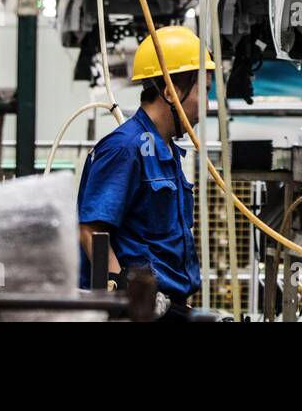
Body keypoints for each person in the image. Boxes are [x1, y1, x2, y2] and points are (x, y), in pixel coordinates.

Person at [77, 25, 213, 320]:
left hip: (166, 305)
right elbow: (91, 231)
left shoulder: (165, 150)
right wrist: (121, 291)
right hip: (137, 310)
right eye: (204, 91)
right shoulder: (125, 148)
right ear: (171, 91)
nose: (207, 104)